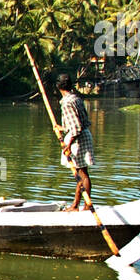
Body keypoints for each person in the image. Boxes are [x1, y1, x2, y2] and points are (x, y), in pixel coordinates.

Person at [54, 73, 95, 212]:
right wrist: (63, 128)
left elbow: (76, 127)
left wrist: (69, 145)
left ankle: (85, 205)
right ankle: (77, 205)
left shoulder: (67, 102)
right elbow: (76, 123)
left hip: (78, 139)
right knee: (80, 173)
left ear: (58, 86)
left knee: (82, 174)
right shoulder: (76, 98)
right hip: (83, 135)